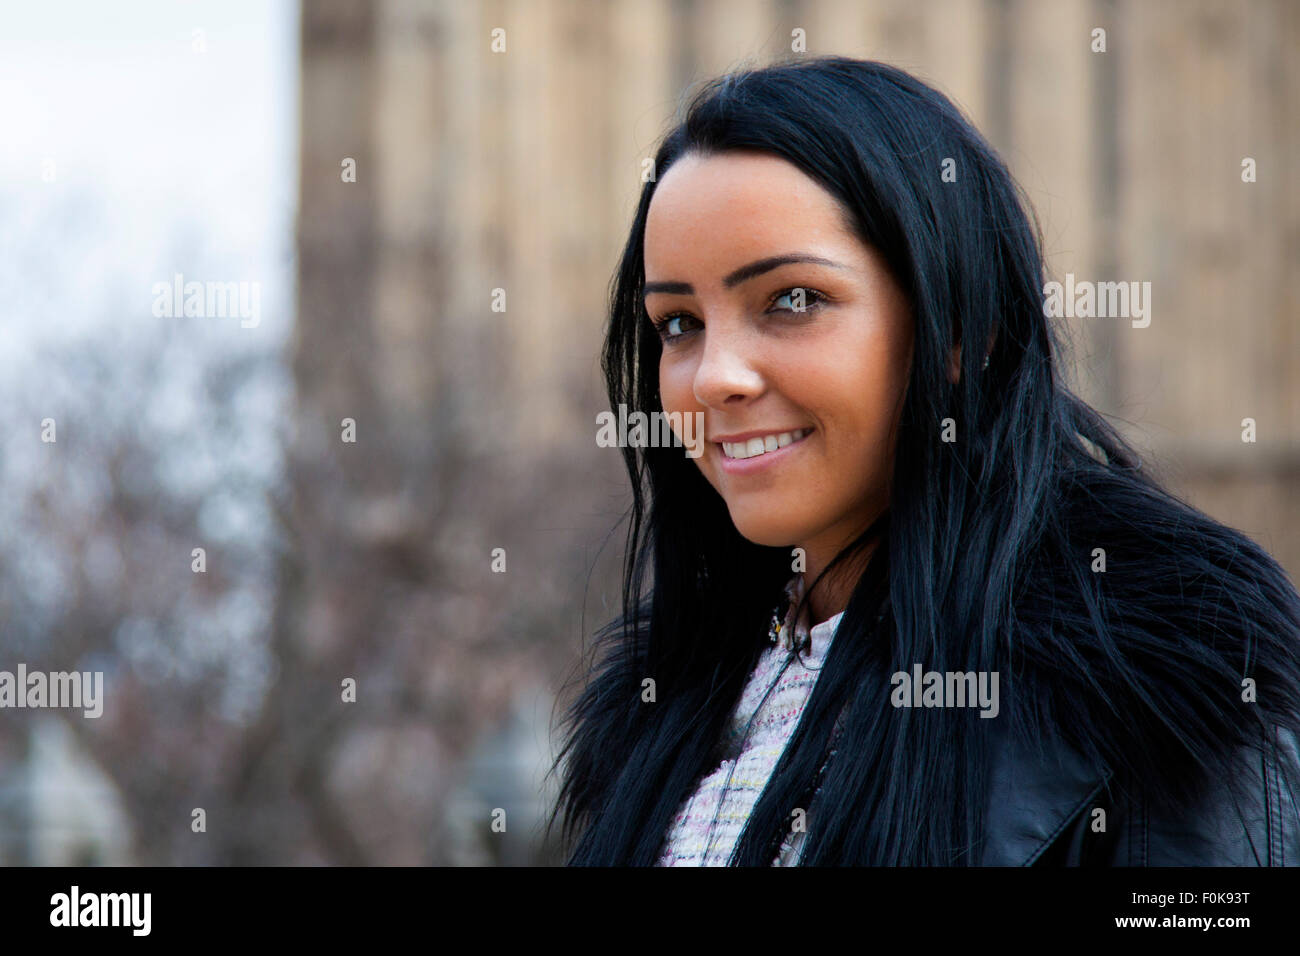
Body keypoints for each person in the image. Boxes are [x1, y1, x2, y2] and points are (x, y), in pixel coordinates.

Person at [547, 55, 1300, 865]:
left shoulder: (1159, 686)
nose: (718, 376)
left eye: (791, 301)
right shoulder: (669, 706)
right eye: (680, 323)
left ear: (955, 328)